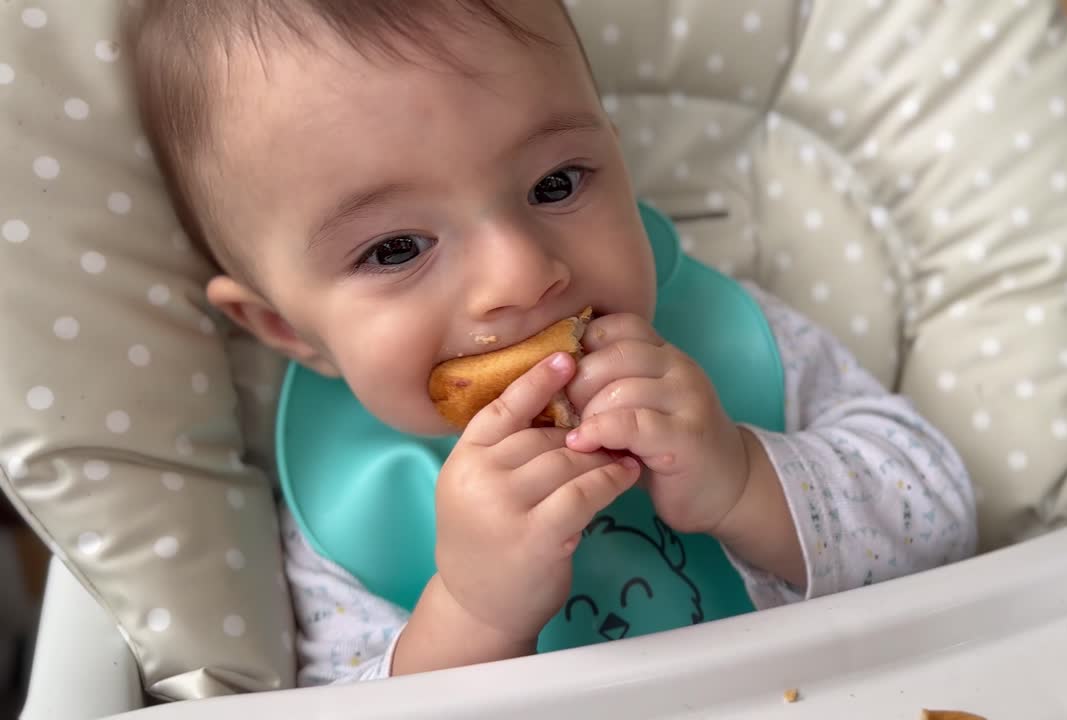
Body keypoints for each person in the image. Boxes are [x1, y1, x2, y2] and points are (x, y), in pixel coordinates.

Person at [128, 0, 977, 686]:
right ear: (286, 329)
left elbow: (943, 521)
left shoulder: (730, 342)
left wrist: (745, 479)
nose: (521, 276)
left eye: (555, 183)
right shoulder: (349, 496)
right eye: (395, 248)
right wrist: (470, 614)